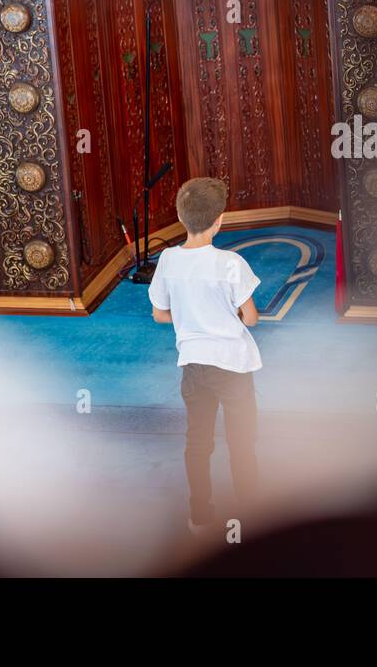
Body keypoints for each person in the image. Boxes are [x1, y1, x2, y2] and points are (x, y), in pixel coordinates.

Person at [148, 177, 261, 533]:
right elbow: (252, 318)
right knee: (242, 438)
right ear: (219, 221)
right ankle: (251, 510)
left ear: (181, 218)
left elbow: (159, 313)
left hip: (193, 365)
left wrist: (188, 317)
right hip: (233, 365)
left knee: (198, 440)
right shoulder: (230, 263)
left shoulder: (167, 259)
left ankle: (199, 513)